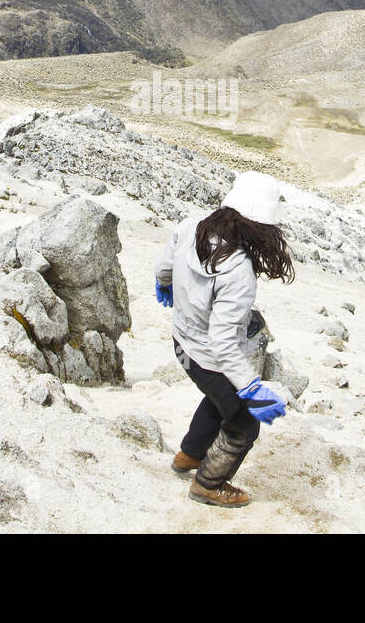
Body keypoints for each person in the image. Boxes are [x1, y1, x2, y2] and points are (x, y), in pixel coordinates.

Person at [154, 171, 295, 508]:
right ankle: (208, 484)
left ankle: (189, 455)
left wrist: (165, 282)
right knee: (243, 422)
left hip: (182, 344)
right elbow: (222, 342)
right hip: (208, 356)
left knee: (218, 398)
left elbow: (165, 264)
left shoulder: (192, 226)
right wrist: (251, 388)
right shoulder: (238, 270)